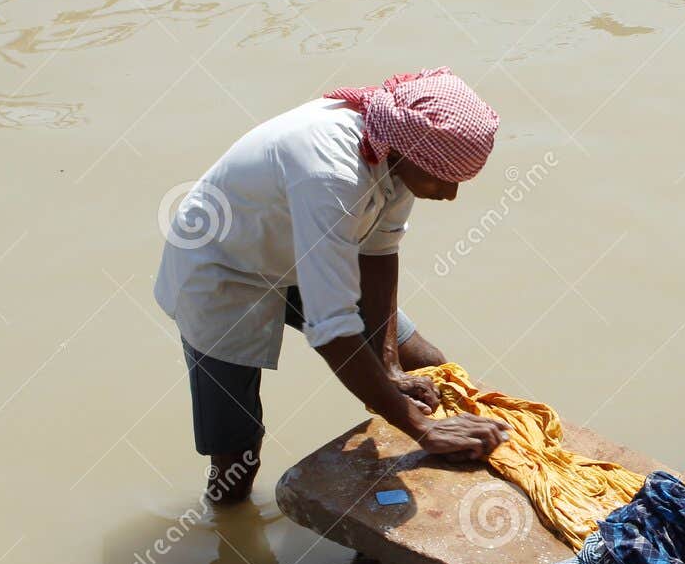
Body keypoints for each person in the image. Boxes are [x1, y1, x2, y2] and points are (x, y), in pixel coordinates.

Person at [155, 67, 511, 504]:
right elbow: (332, 329)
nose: (450, 193)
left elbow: (379, 252)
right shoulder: (333, 174)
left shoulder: (395, 149)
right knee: (238, 453)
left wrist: (390, 365)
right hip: (225, 268)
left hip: (304, 251)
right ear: (409, 151)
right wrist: (420, 428)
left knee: (425, 362)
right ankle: (224, 530)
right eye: (442, 177)